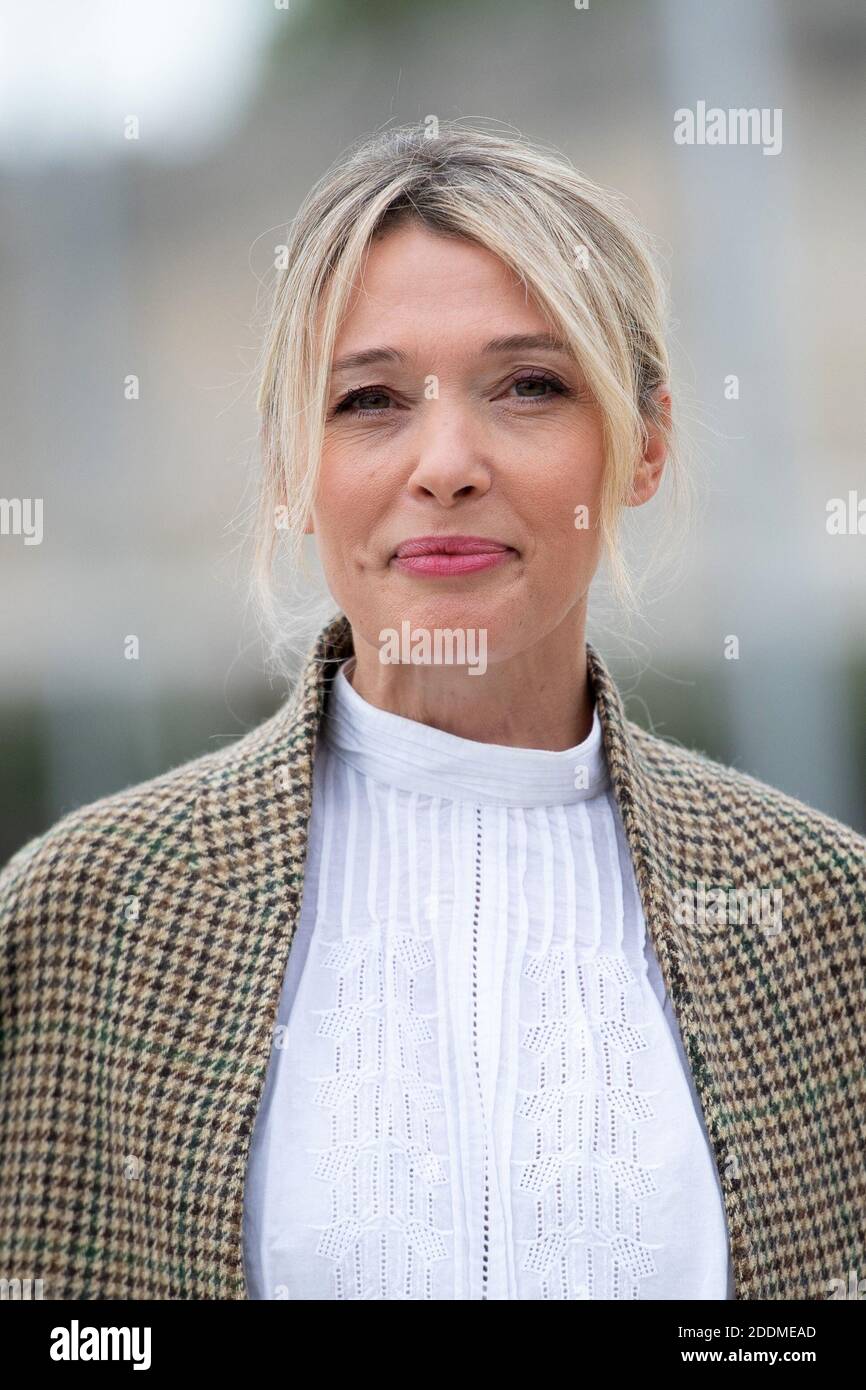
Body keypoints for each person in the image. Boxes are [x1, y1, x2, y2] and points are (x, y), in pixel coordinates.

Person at [1, 123, 864, 1301]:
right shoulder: (81, 916)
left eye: (528, 385)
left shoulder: (824, 918)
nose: (446, 461)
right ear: (286, 469)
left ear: (643, 440)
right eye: (368, 399)